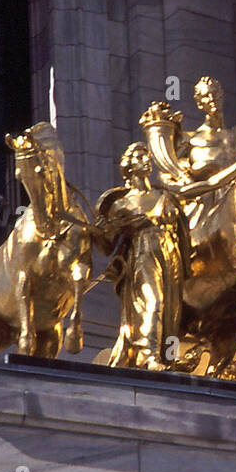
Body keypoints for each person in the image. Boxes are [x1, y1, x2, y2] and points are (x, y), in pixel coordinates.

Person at [98, 143, 188, 371]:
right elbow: (107, 245)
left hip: (170, 253)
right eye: (139, 157)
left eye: (146, 156)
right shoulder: (122, 203)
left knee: (172, 311)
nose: (146, 160)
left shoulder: (164, 195)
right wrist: (101, 230)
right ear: (128, 167)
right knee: (153, 302)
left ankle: (168, 356)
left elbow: (201, 189)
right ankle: (148, 356)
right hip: (143, 252)